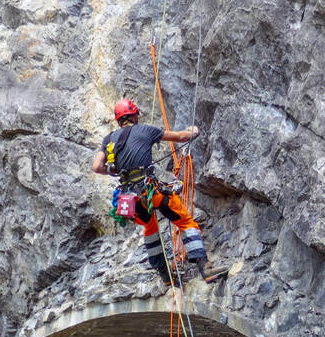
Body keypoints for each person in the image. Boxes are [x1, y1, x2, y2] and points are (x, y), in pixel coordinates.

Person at [92, 97, 228, 285]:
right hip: (149, 192)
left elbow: (97, 166)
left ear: (118, 120)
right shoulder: (146, 130)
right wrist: (193, 131)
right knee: (185, 221)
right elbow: (181, 137)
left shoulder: (109, 140)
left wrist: (116, 170)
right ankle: (205, 268)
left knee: (149, 228)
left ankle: (165, 276)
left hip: (128, 200)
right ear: (135, 116)